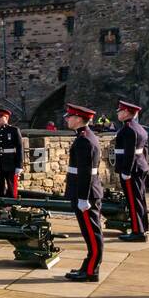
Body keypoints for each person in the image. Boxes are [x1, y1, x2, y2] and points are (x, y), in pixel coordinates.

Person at [63, 103, 104, 282]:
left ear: (79, 119)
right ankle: (88, 266)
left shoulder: (84, 140)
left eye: (70, 116)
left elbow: (86, 172)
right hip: (86, 192)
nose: (67, 119)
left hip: (86, 194)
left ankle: (91, 270)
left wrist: (82, 198)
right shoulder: (84, 137)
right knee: (89, 233)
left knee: (92, 234)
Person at [114, 99, 149, 243]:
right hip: (140, 166)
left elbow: (129, 153)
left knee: (133, 200)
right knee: (140, 199)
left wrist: (126, 171)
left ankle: (138, 232)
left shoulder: (128, 129)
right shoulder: (139, 128)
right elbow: (145, 150)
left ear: (127, 113)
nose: (118, 113)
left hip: (132, 169)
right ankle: (143, 227)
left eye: (120, 111)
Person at [0, 108, 25, 198]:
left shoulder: (14, 130)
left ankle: (11, 206)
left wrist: (19, 165)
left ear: (6, 118)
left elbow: (20, 148)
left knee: (11, 186)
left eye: (0, 117)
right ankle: (1, 207)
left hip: (11, 162)